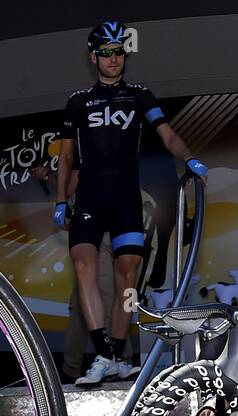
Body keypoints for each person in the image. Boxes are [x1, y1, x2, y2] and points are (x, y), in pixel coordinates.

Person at [55, 19, 206, 386]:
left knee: (128, 275)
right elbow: (66, 156)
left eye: (119, 51)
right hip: (90, 194)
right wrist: (61, 200)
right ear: (94, 57)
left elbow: (167, 134)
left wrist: (189, 158)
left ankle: (118, 353)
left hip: (126, 196)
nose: (113, 58)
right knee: (84, 263)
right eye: (106, 52)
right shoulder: (78, 101)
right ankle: (103, 353)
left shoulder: (139, 95)